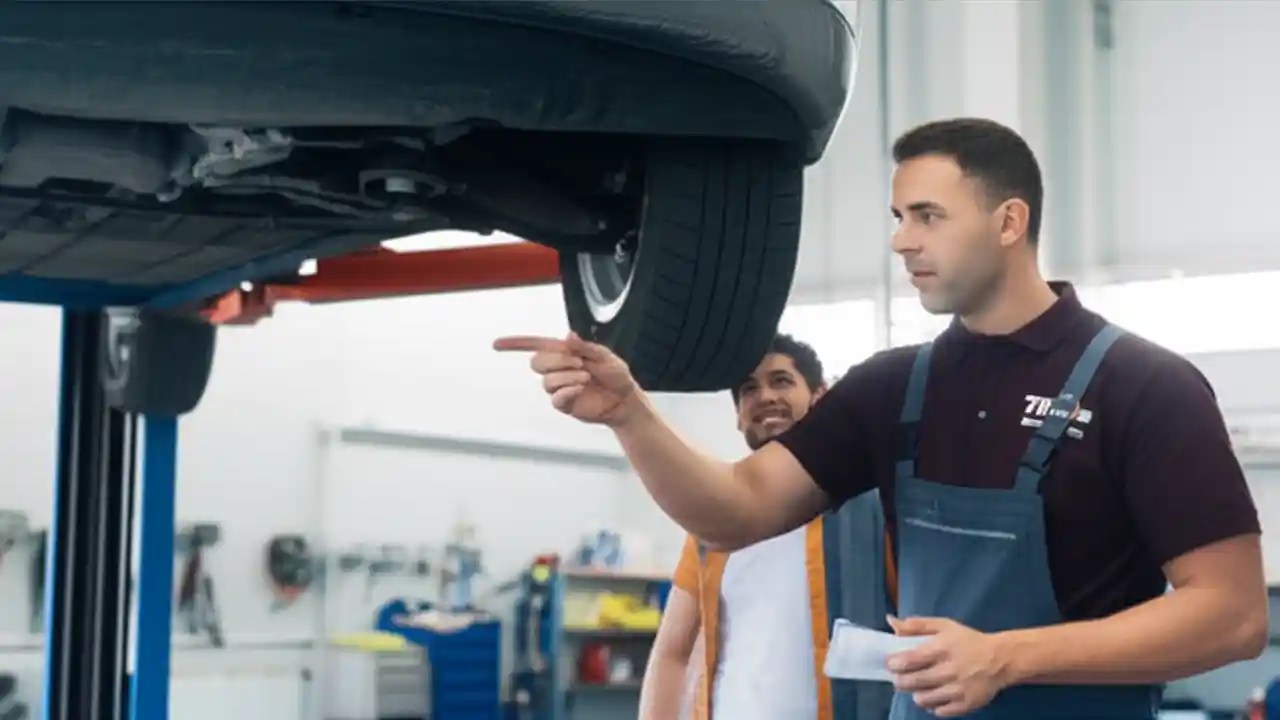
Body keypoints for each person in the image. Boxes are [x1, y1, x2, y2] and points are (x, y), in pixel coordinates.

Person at [496, 117, 1269, 719]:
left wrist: (1008, 657)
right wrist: (631, 417)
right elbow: (736, 511)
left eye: (928, 216)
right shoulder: (892, 388)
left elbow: (1232, 616)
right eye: (899, 216)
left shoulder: (1146, 387)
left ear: (1009, 222)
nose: (902, 241)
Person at [637, 334, 895, 720]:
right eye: (749, 389)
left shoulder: (876, 509)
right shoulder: (715, 521)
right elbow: (672, 651)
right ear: (739, 416)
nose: (765, 397)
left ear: (821, 398)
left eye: (781, 381)